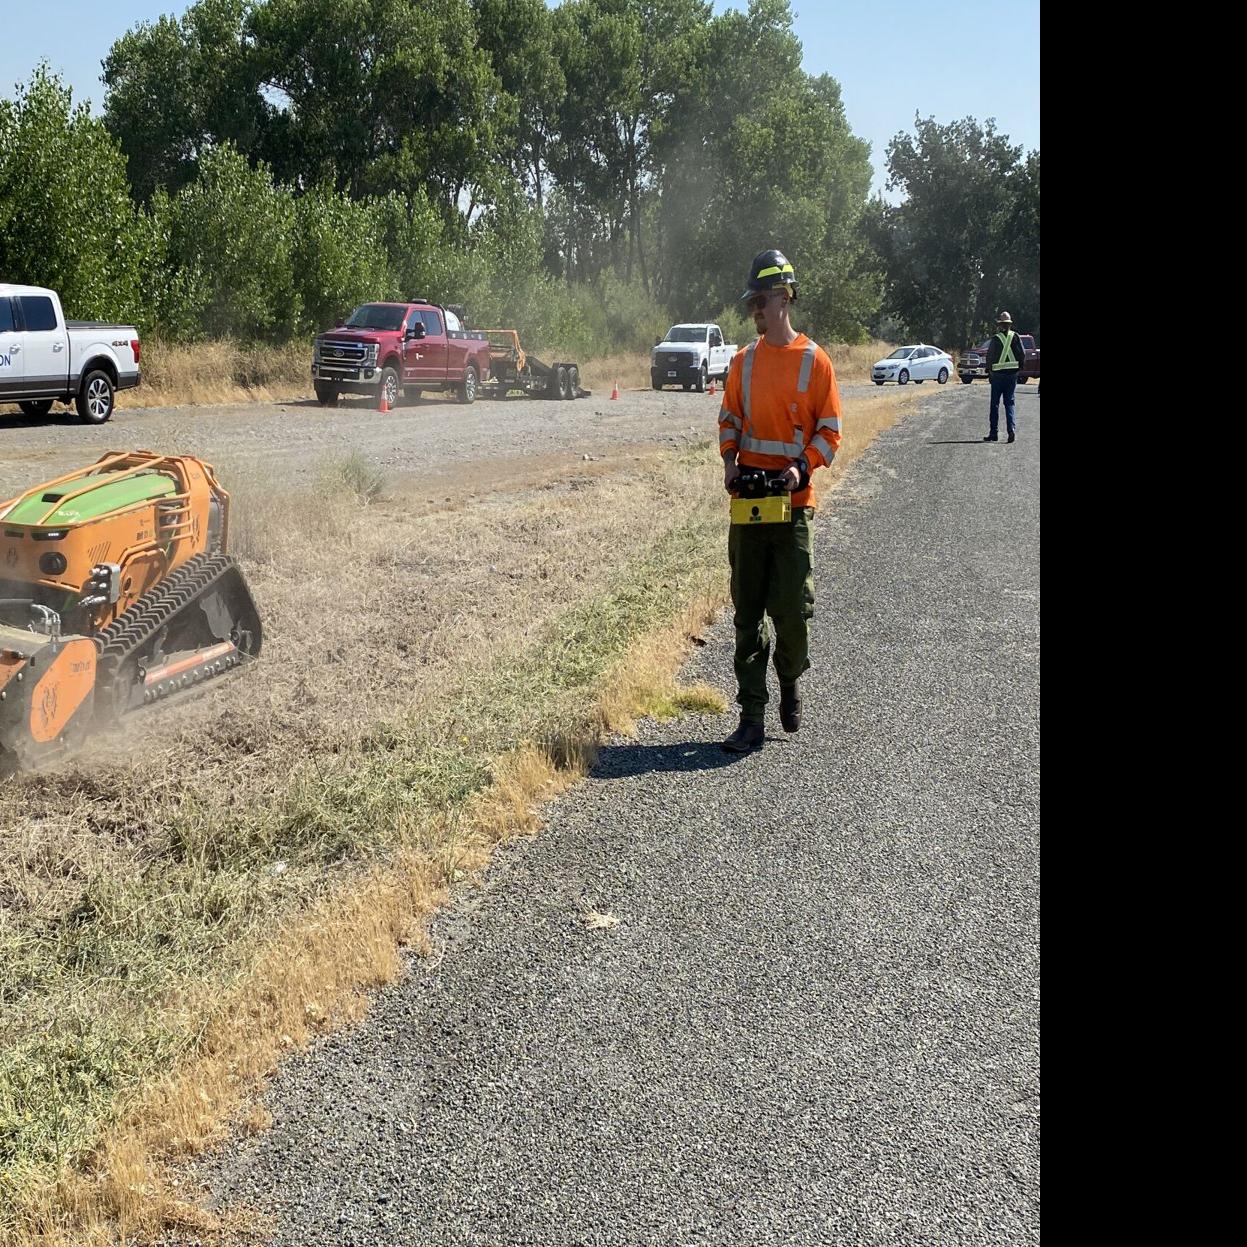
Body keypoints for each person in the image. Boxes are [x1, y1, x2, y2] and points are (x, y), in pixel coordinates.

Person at [716, 249, 842, 753]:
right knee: (747, 614)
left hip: (792, 505)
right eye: (752, 303)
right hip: (749, 504)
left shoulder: (816, 362)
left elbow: (830, 432)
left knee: (790, 611)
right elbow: (729, 419)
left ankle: (790, 676)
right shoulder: (743, 363)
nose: (755, 312)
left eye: (761, 301)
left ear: (784, 299)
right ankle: (751, 717)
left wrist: (800, 468)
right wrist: (729, 460)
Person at [983, 310, 1024, 443]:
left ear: (1000, 325)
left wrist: (989, 370)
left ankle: (993, 433)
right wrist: (1019, 369)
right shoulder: (1016, 337)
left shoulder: (996, 339)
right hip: (1012, 376)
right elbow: (1022, 355)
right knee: (1010, 403)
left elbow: (990, 357)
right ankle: (1011, 429)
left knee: (995, 404)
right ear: (1010, 324)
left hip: (998, 376)